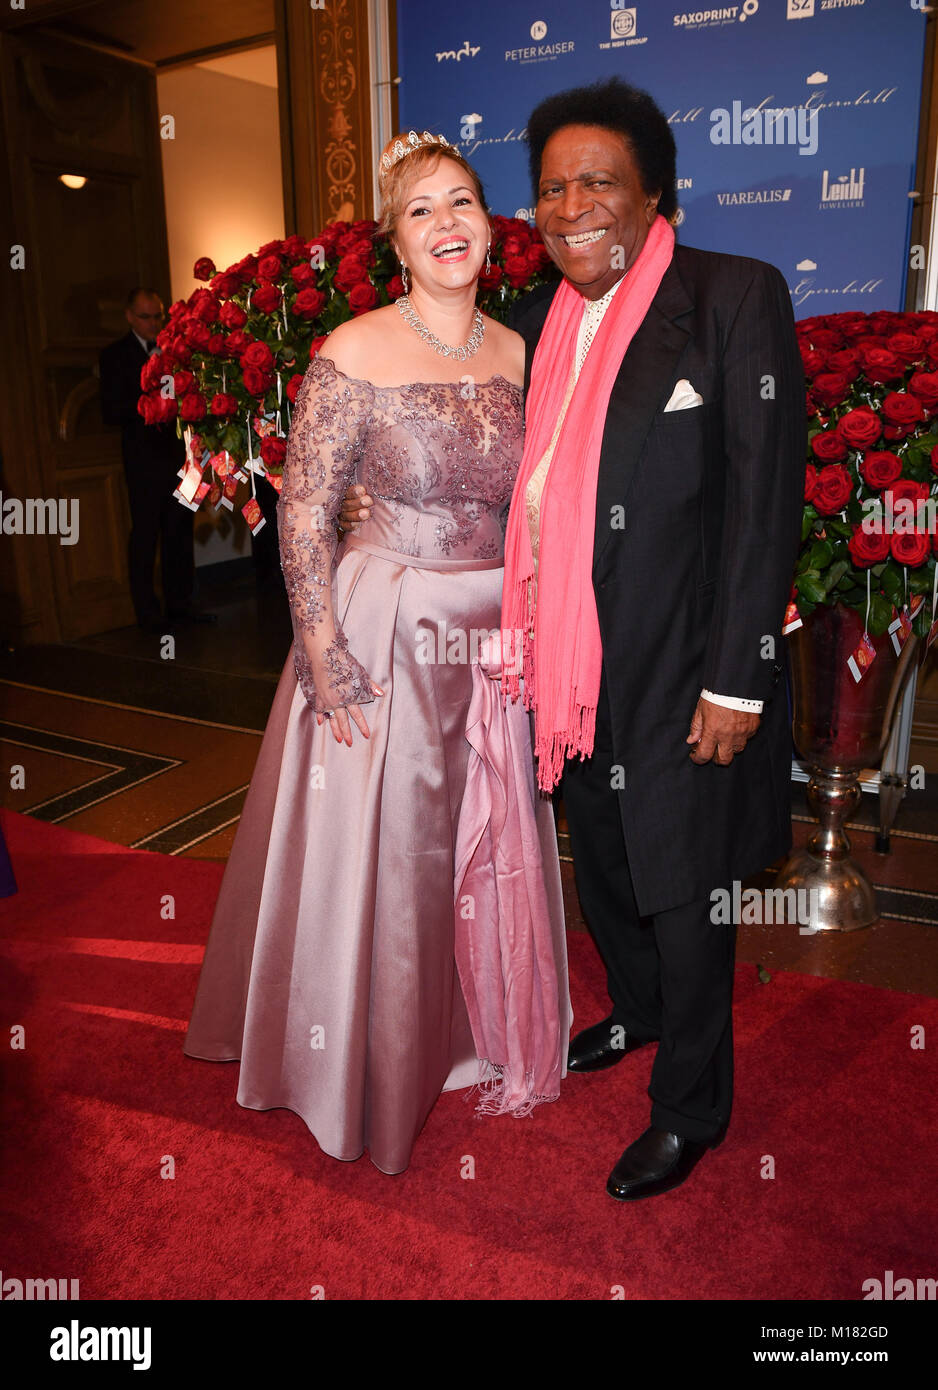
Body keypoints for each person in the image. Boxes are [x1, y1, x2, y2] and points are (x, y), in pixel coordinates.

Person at [344, 80, 804, 1200]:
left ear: (654, 190)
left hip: (683, 665)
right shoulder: (542, 322)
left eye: (597, 180)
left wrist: (736, 681)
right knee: (601, 862)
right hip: (565, 665)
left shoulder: (732, 296)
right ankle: (638, 1014)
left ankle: (690, 1106)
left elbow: (763, 499)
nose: (569, 205)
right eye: (549, 186)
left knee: (683, 882)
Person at [184, 133, 569, 1175]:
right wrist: (322, 651)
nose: (447, 223)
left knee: (474, 837)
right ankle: (353, 1057)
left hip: (490, 632)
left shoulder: (518, 350)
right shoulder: (351, 348)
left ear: (489, 225)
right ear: (396, 244)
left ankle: (462, 1029)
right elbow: (304, 512)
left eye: (463, 202)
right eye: (420, 211)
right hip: (382, 622)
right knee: (390, 850)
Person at [99, 288, 213, 631]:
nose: (153, 323)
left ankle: (181, 603)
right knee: (146, 533)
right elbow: (110, 410)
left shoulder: (174, 353)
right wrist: (148, 404)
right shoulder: (115, 356)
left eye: (158, 316)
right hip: (142, 460)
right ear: (130, 317)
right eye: (146, 317)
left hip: (177, 457)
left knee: (180, 529)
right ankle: (146, 612)